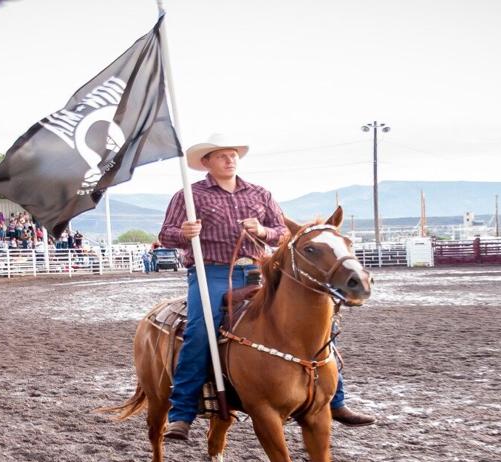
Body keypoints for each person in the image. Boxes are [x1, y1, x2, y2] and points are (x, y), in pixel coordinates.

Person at [157, 133, 374, 441]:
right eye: (221, 156)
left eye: (233, 155)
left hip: (258, 272)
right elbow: (165, 234)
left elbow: (283, 233)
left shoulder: (260, 194)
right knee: (200, 331)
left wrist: (261, 230)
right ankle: (181, 414)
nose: (230, 159)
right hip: (211, 274)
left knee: (312, 325)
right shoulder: (189, 196)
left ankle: (336, 400)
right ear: (206, 162)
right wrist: (184, 232)